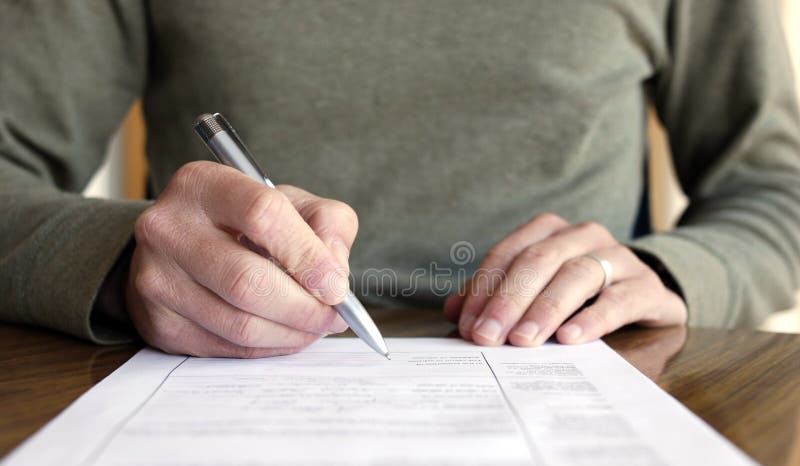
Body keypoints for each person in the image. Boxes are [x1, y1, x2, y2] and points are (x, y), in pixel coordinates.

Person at [1, 1, 799, 358]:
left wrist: (667, 273)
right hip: (214, 387)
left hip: (567, 377)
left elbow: (778, 188)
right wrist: (120, 263)